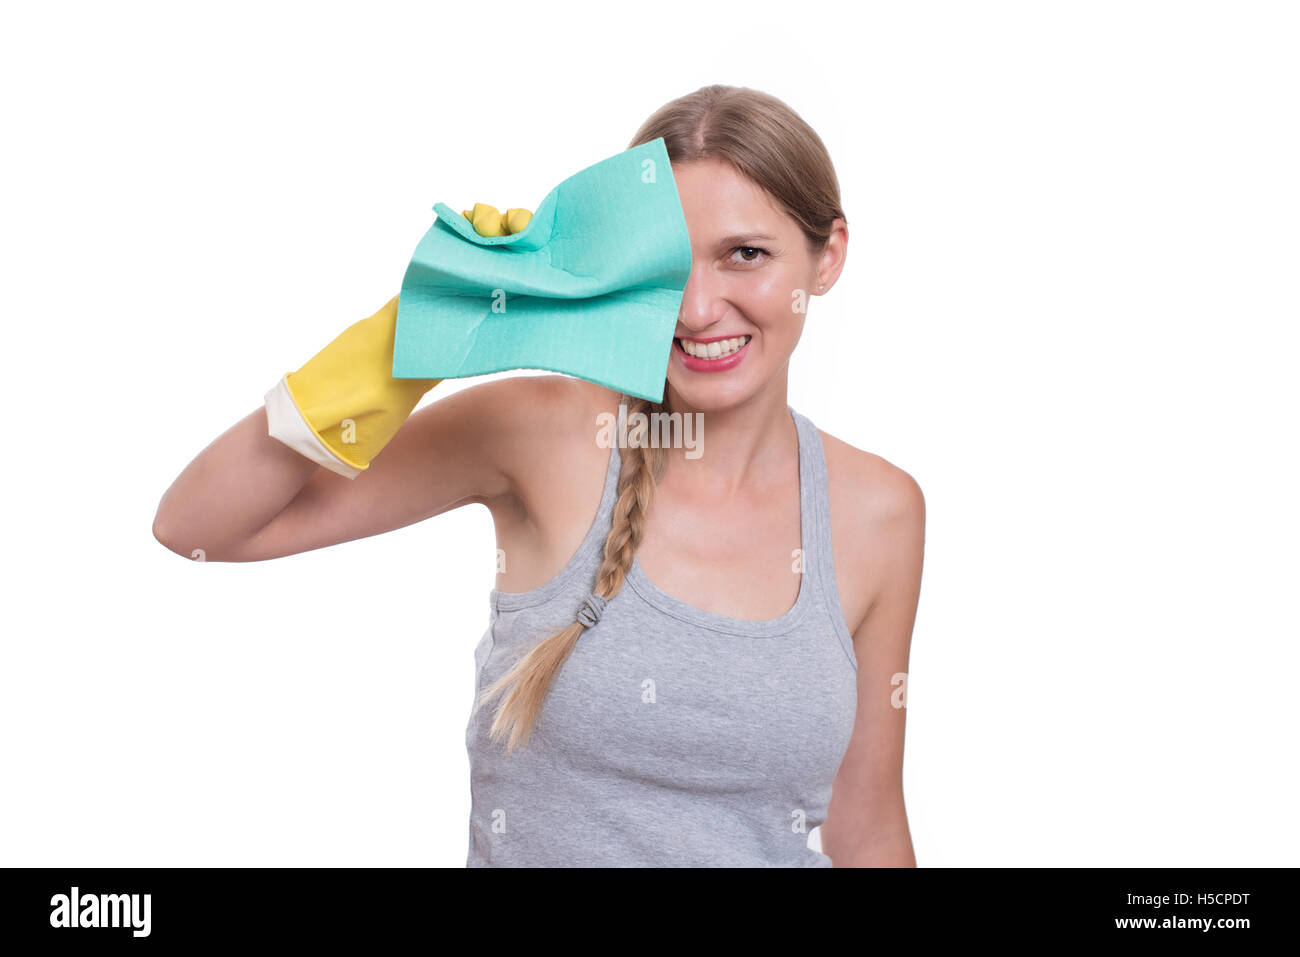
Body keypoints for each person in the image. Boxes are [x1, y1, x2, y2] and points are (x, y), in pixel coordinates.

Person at [153, 84, 925, 867]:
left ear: (827, 257)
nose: (696, 309)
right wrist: (409, 339)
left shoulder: (877, 512)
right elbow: (202, 525)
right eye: (663, 267)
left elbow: (867, 827)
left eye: (746, 255)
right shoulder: (545, 435)